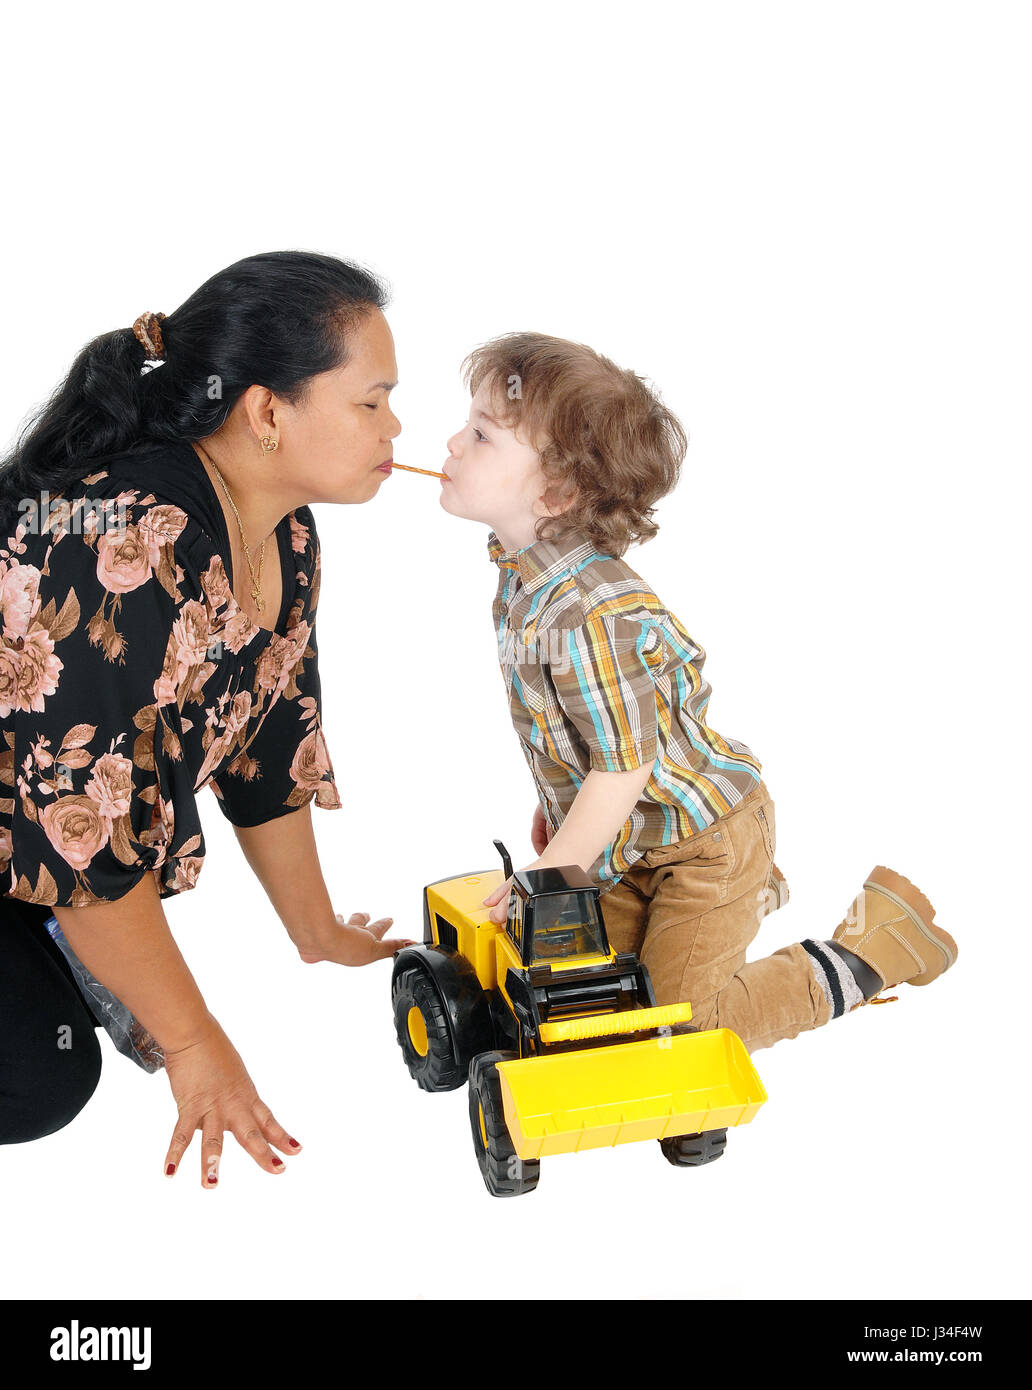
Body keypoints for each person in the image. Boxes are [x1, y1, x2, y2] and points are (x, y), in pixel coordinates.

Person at [0, 250, 414, 1184]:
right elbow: (81, 842)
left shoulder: (286, 531)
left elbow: (268, 750)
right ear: (268, 411)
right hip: (39, 833)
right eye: (371, 401)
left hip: (26, 824)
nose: (396, 426)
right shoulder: (126, 545)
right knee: (41, 1077)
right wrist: (196, 1045)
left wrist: (316, 932)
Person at [438, 331, 957, 1051]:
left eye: (482, 435)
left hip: (699, 843)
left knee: (679, 1026)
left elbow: (625, 766)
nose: (453, 443)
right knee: (591, 996)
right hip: (629, 841)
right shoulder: (523, 578)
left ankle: (868, 953)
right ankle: (743, 903)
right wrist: (561, 807)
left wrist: (554, 866)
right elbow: (591, 727)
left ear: (555, 491)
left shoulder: (587, 613)